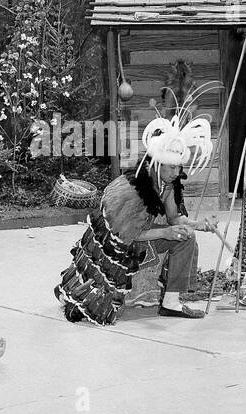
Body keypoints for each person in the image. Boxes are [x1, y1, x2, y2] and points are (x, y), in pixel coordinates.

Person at [56, 105, 219, 324]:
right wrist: (166, 232)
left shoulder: (168, 184)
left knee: (186, 237)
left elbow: (175, 218)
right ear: (157, 163)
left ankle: (171, 303)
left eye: (178, 168)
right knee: (103, 309)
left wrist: (198, 224)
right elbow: (127, 235)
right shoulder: (134, 189)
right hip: (116, 245)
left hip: (138, 235)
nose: (175, 173)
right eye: (170, 168)